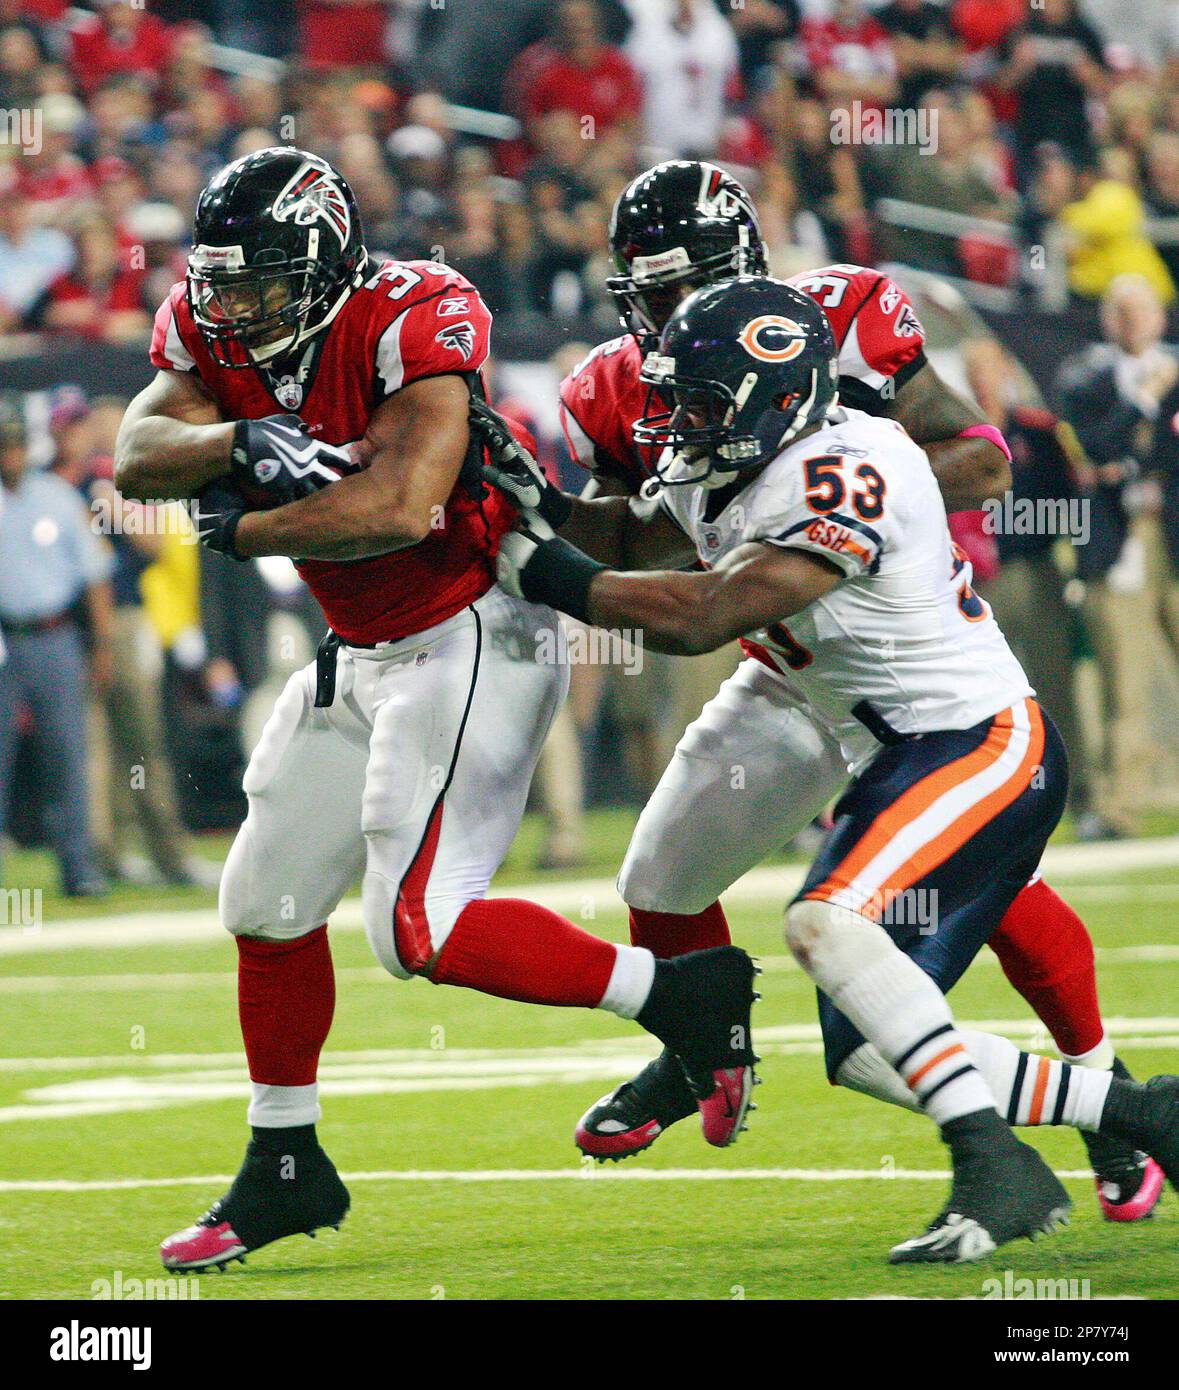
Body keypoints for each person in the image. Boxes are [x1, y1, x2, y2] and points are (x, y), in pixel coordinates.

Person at [113, 147, 758, 1274]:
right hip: (358, 646)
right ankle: (283, 1162)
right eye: (221, 279)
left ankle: (689, 994)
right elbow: (138, 452)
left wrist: (247, 521)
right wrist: (236, 441)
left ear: (318, 263)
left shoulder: (418, 310)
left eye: (258, 278)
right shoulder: (211, 327)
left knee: (421, 931)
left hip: (468, 632)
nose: (232, 302)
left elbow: (404, 504)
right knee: (262, 901)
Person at [472, 278, 1179, 1263]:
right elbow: (635, 537)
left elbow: (705, 613)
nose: (679, 421)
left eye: (706, 403)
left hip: (979, 744)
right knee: (870, 1053)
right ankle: (1142, 1112)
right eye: (679, 399)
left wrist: (540, 568)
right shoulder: (733, 452)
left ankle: (993, 1163)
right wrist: (527, 502)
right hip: (897, 758)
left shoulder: (854, 464)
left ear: (776, 398)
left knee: (822, 923)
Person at [1057, 274, 1179, 834]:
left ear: (1160, 315)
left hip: (1170, 534)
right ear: (1109, 320)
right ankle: (1116, 806)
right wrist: (1144, 400)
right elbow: (1095, 446)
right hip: (1116, 541)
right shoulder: (1085, 377)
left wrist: (1128, 463)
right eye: (1122, 313)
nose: (1134, 323)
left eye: (1143, 311)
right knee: (1121, 681)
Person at [0, 393, 113, 897]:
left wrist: (102, 644)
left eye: (16, 446)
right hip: (4, 638)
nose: (11, 457)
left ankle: (78, 869)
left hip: (54, 635)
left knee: (67, 755)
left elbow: (94, 574)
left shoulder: (57, 497)